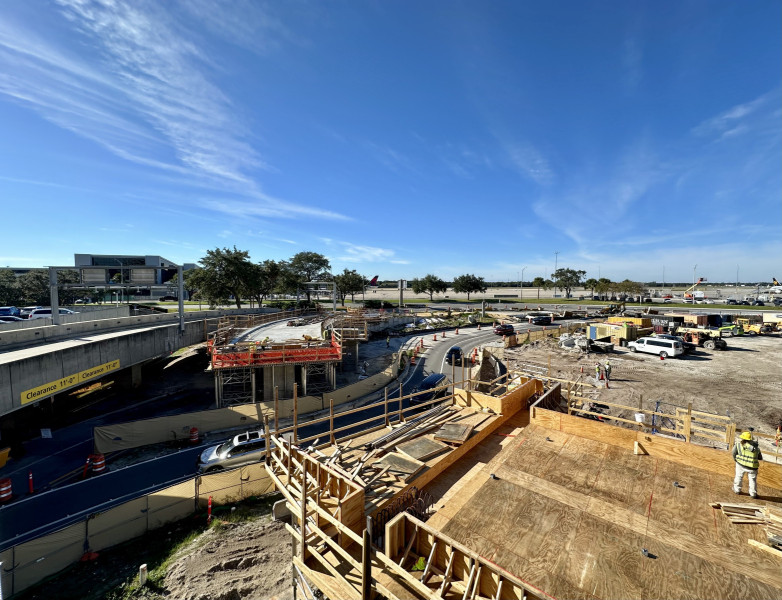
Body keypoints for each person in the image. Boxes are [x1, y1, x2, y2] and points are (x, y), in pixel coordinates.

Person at [733, 431, 763, 498]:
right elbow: (760, 457)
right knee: (752, 480)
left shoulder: (738, 445)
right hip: (752, 467)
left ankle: (737, 489)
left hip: (740, 464)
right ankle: (753, 494)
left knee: (739, 476)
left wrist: (736, 459)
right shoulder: (756, 449)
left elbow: (734, 453)